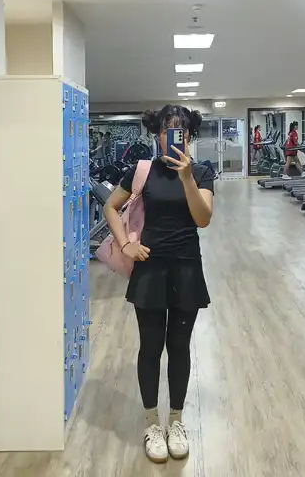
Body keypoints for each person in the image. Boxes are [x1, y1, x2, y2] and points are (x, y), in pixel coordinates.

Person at [103, 106, 215, 464]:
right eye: (168, 130)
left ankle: (176, 422)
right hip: (150, 269)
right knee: (150, 347)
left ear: (189, 135)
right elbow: (111, 207)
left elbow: (203, 219)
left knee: (179, 347)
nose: (174, 136)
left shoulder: (201, 172)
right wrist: (125, 244)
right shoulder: (142, 171)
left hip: (186, 268)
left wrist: (186, 177)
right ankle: (152, 424)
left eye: (181, 130)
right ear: (158, 134)